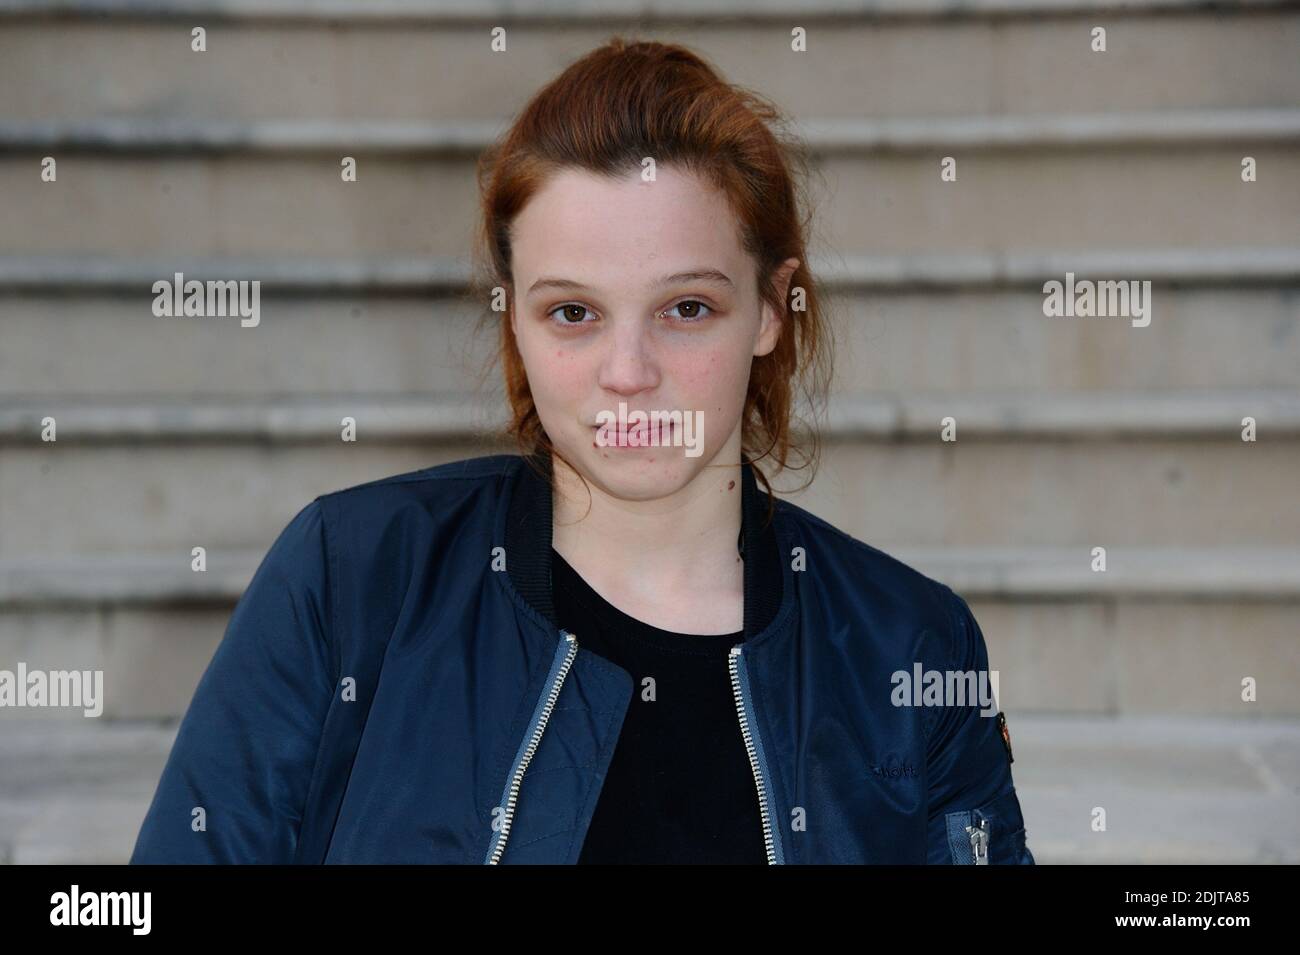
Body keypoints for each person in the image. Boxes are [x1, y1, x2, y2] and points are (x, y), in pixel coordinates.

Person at [130, 37, 1034, 865]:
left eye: (687, 308)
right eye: (574, 312)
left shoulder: (911, 644)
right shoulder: (353, 579)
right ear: (514, 318)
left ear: (769, 307)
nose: (628, 373)